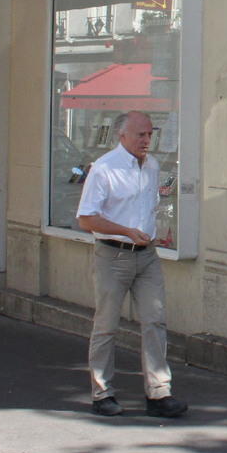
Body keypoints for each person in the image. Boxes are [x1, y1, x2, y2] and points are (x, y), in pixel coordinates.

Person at [76, 111, 187, 418]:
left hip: (146, 255)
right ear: (122, 135)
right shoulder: (104, 168)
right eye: (141, 135)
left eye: (150, 134)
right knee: (107, 325)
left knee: (155, 321)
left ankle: (159, 392)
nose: (146, 140)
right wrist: (125, 231)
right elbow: (86, 218)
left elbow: (150, 206)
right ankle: (102, 393)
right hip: (113, 254)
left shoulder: (151, 166)